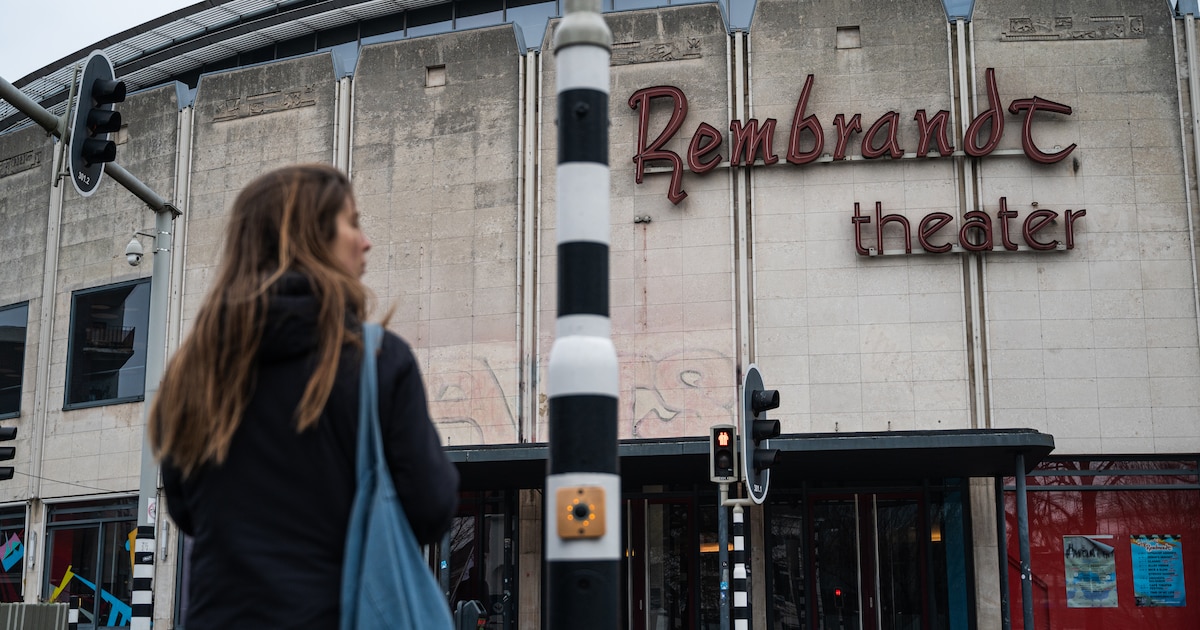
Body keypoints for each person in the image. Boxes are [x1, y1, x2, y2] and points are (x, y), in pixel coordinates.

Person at [150, 163, 459, 629]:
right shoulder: (375, 360)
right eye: (353, 222)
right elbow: (432, 507)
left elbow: (188, 513)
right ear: (312, 237)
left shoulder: (192, 373)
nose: (365, 240)